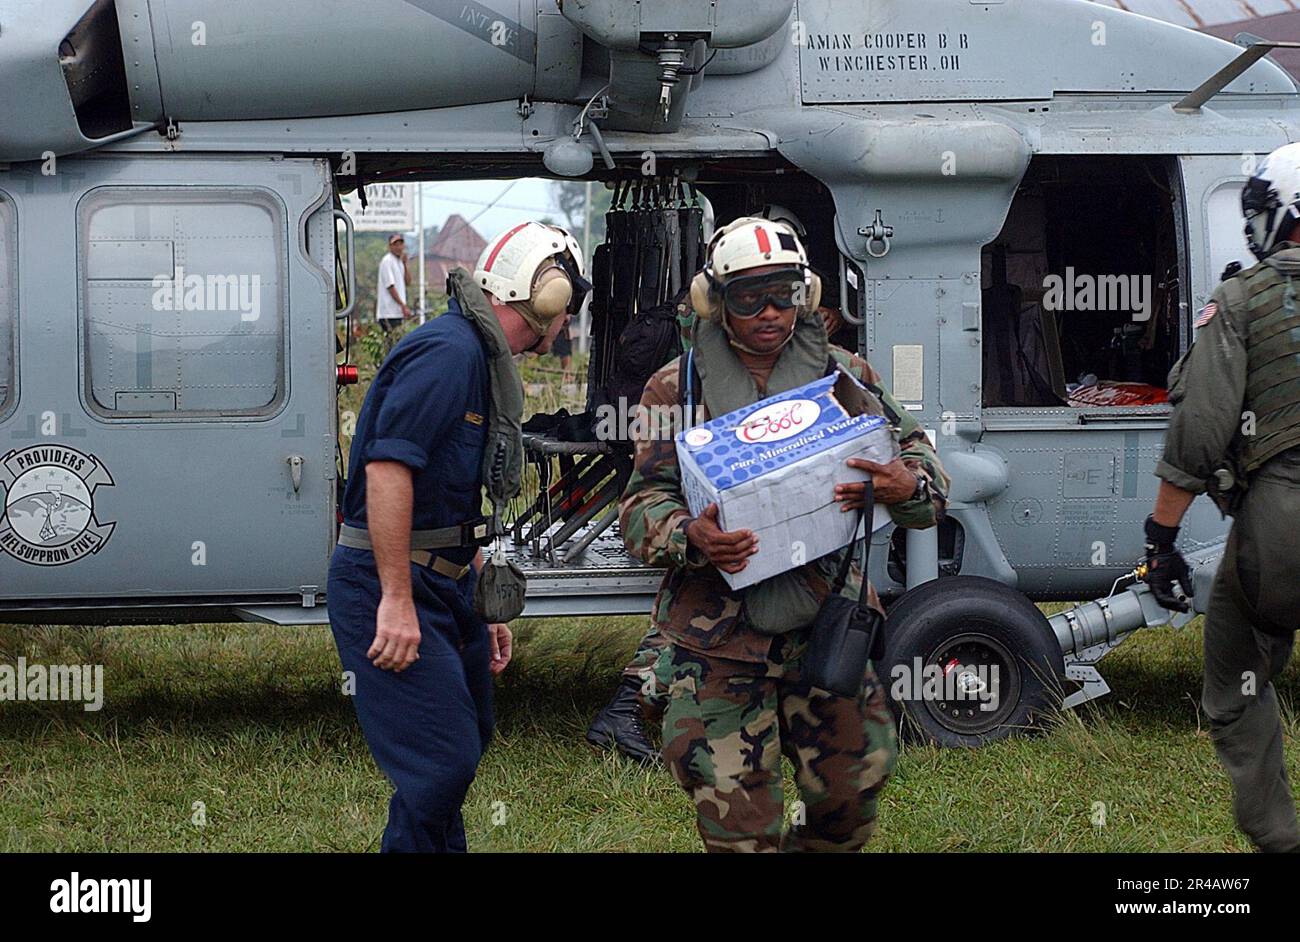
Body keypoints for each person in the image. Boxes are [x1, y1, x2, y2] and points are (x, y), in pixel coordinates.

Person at [620, 217, 949, 852]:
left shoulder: (845, 374)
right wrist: (691, 533)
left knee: (852, 797)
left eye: (786, 295)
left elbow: (920, 458)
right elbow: (642, 502)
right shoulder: (675, 387)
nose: (771, 313)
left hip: (828, 627)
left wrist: (906, 486)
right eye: (749, 298)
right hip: (715, 643)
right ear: (716, 301)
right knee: (740, 828)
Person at [329, 221, 587, 852]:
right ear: (548, 296)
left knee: (464, 745)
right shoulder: (450, 351)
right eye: (568, 306)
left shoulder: (479, 357)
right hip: (390, 583)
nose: (567, 324)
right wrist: (394, 598)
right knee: (440, 764)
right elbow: (389, 468)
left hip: (443, 582)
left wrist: (478, 593)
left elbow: (447, 498)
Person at [1142, 142, 1300, 853]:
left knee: (1235, 683)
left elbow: (1201, 429)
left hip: (1280, 520)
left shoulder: (1240, 300)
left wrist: (1162, 540)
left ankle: (1279, 838)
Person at [376, 233, 411, 332]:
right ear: (390, 246)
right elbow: (390, 287)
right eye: (395, 244)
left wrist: (405, 264)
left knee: (397, 343)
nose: (399, 247)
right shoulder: (387, 261)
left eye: (400, 244)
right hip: (388, 313)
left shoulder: (399, 262)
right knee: (392, 343)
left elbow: (408, 282)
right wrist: (403, 306)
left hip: (397, 312)